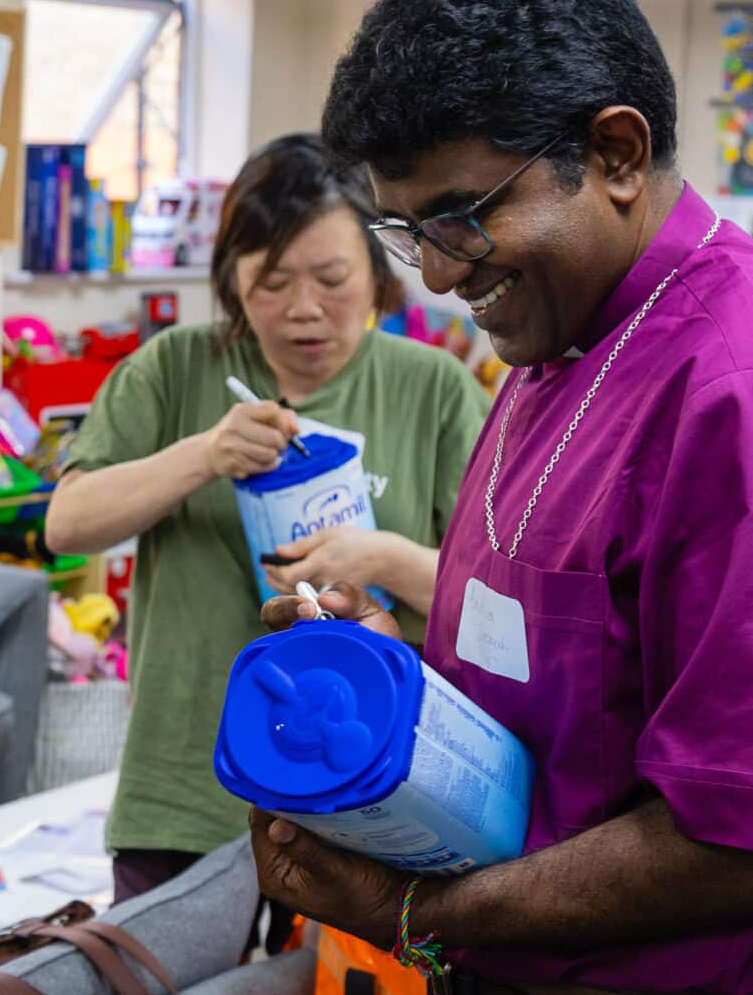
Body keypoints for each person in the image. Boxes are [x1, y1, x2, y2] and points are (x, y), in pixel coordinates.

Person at [248, 0, 753, 995]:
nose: (439, 275)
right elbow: (560, 687)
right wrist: (394, 690)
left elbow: (752, 830)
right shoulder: (562, 343)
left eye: (457, 217)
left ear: (614, 152)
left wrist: (412, 909)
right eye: (409, 232)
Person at [45, 133, 490, 903]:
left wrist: (379, 557)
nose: (304, 310)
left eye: (332, 277)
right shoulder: (175, 367)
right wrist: (206, 455)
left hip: (371, 784)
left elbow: (491, 599)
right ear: (232, 280)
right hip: (185, 783)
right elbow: (68, 525)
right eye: (272, 283)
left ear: (379, 275)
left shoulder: (435, 388)